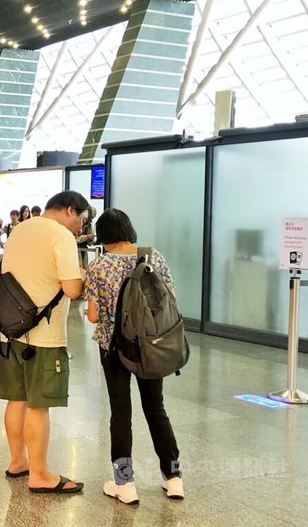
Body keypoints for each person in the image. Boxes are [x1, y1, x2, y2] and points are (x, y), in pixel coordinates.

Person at [84, 208, 183, 504]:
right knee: (156, 408)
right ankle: (174, 477)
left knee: (121, 411)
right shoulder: (154, 256)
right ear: (129, 230)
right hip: (153, 345)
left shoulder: (99, 265)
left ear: (103, 235)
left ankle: (124, 484)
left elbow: (91, 316)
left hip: (114, 347)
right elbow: (171, 299)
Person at [0, 190, 89, 495]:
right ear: (71, 211)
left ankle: (17, 462)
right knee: (39, 405)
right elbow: (73, 289)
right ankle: (39, 474)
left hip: (10, 330)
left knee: (17, 399)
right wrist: (84, 276)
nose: (80, 229)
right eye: (82, 221)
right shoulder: (61, 236)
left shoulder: (20, 229)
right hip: (44, 335)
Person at [77, 205, 97, 269]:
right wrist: (86, 237)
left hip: (84, 250)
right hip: (74, 251)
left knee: (84, 269)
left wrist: (91, 238)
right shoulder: (75, 223)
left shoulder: (88, 225)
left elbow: (90, 244)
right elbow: (74, 239)